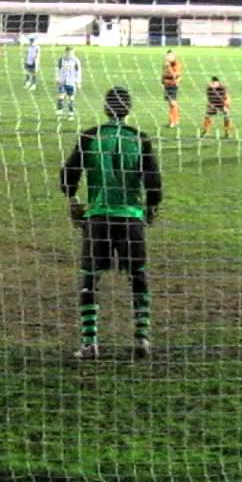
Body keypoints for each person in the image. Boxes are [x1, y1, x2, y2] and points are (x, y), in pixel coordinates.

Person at [60, 87, 162, 359]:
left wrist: (73, 201)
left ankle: (89, 343)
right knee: (138, 275)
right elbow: (153, 180)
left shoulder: (90, 135)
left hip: (98, 219)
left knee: (90, 279)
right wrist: (151, 208)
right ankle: (142, 339)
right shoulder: (140, 139)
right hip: (131, 219)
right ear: (129, 110)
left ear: (105, 108)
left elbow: (68, 172)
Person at [56, 46, 82, 117]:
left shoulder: (76, 61)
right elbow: (58, 69)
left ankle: (71, 113)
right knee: (60, 96)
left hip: (71, 82)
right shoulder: (61, 60)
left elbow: (78, 72)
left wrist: (78, 82)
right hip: (62, 81)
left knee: (71, 98)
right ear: (66, 52)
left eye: (71, 53)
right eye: (68, 52)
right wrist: (57, 78)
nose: (70, 54)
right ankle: (59, 111)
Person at [161, 50, 183, 127]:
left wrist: (169, 67)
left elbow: (175, 75)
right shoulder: (165, 64)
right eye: (167, 56)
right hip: (167, 85)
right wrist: (162, 83)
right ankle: (175, 119)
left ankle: (172, 121)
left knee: (173, 103)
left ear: (174, 56)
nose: (168, 57)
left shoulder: (177, 64)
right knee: (171, 104)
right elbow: (163, 74)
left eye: (170, 56)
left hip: (173, 85)